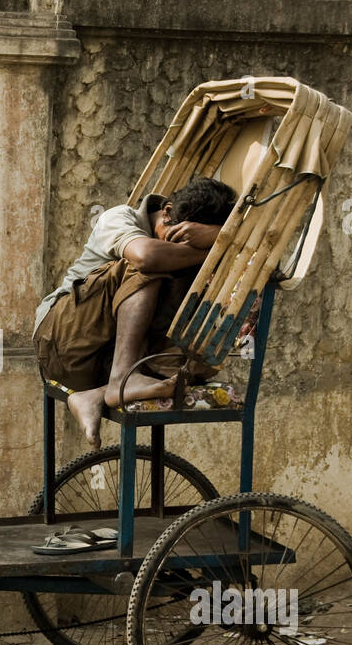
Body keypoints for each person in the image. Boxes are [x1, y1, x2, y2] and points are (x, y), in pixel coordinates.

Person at [33, 177, 237, 448]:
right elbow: (146, 257)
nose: (181, 251)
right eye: (180, 240)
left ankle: (95, 395)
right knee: (147, 263)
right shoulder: (118, 217)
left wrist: (216, 237)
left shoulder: (195, 244)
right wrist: (209, 251)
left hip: (101, 364)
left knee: (198, 361)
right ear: (167, 212)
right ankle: (121, 379)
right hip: (60, 342)